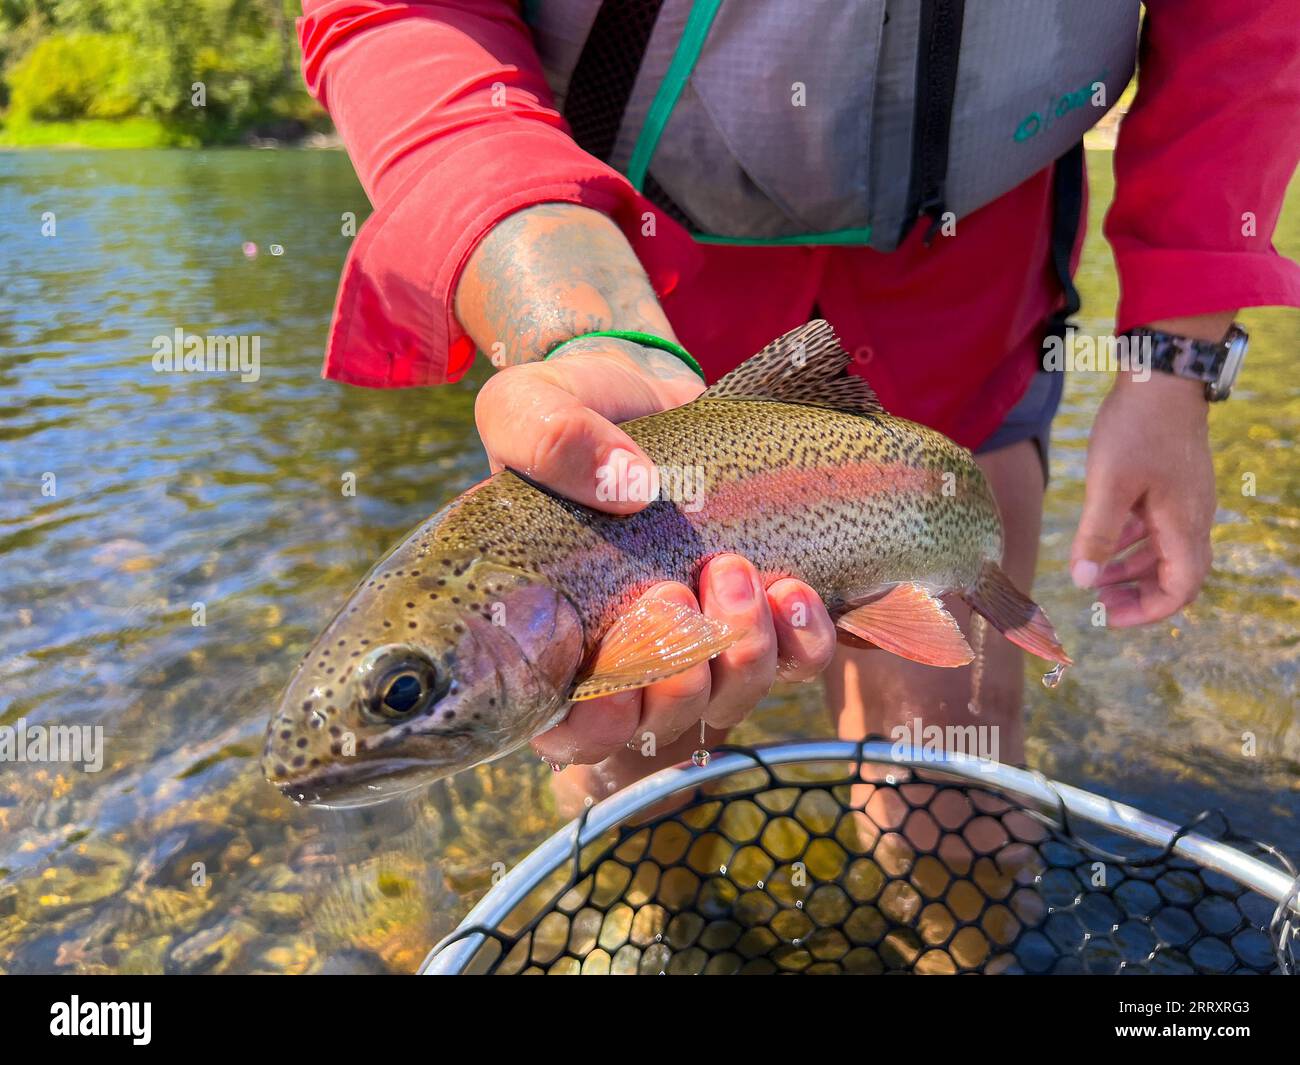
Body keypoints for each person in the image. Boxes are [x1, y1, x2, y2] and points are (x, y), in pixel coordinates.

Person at [297, 1, 1300, 810]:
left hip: (964, 282)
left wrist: (1174, 362)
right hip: (637, 277)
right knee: (633, 784)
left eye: (402, 695)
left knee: (947, 802)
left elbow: (1244, 23)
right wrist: (569, 317)